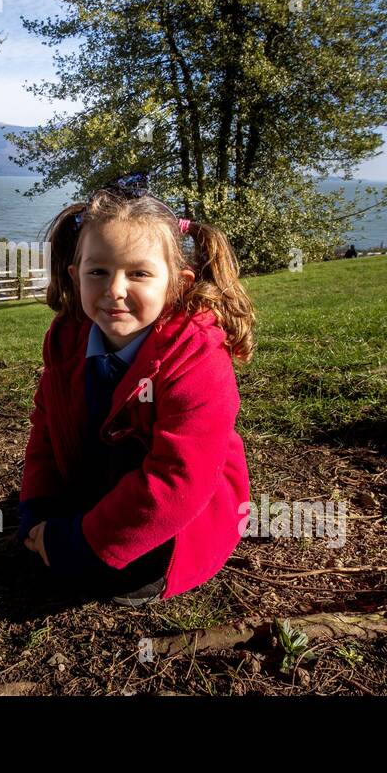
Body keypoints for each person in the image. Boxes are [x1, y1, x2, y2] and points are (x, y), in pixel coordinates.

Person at [18, 172, 253, 606]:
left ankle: (93, 542)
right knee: (40, 550)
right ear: (75, 275)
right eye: (98, 271)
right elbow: (46, 428)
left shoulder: (196, 356)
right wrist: (39, 507)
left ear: (176, 282)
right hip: (99, 490)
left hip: (180, 522)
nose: (115, 290)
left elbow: (179, 478)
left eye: (139, 273)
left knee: (117, 578)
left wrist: (80, 545)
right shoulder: (66, 339)